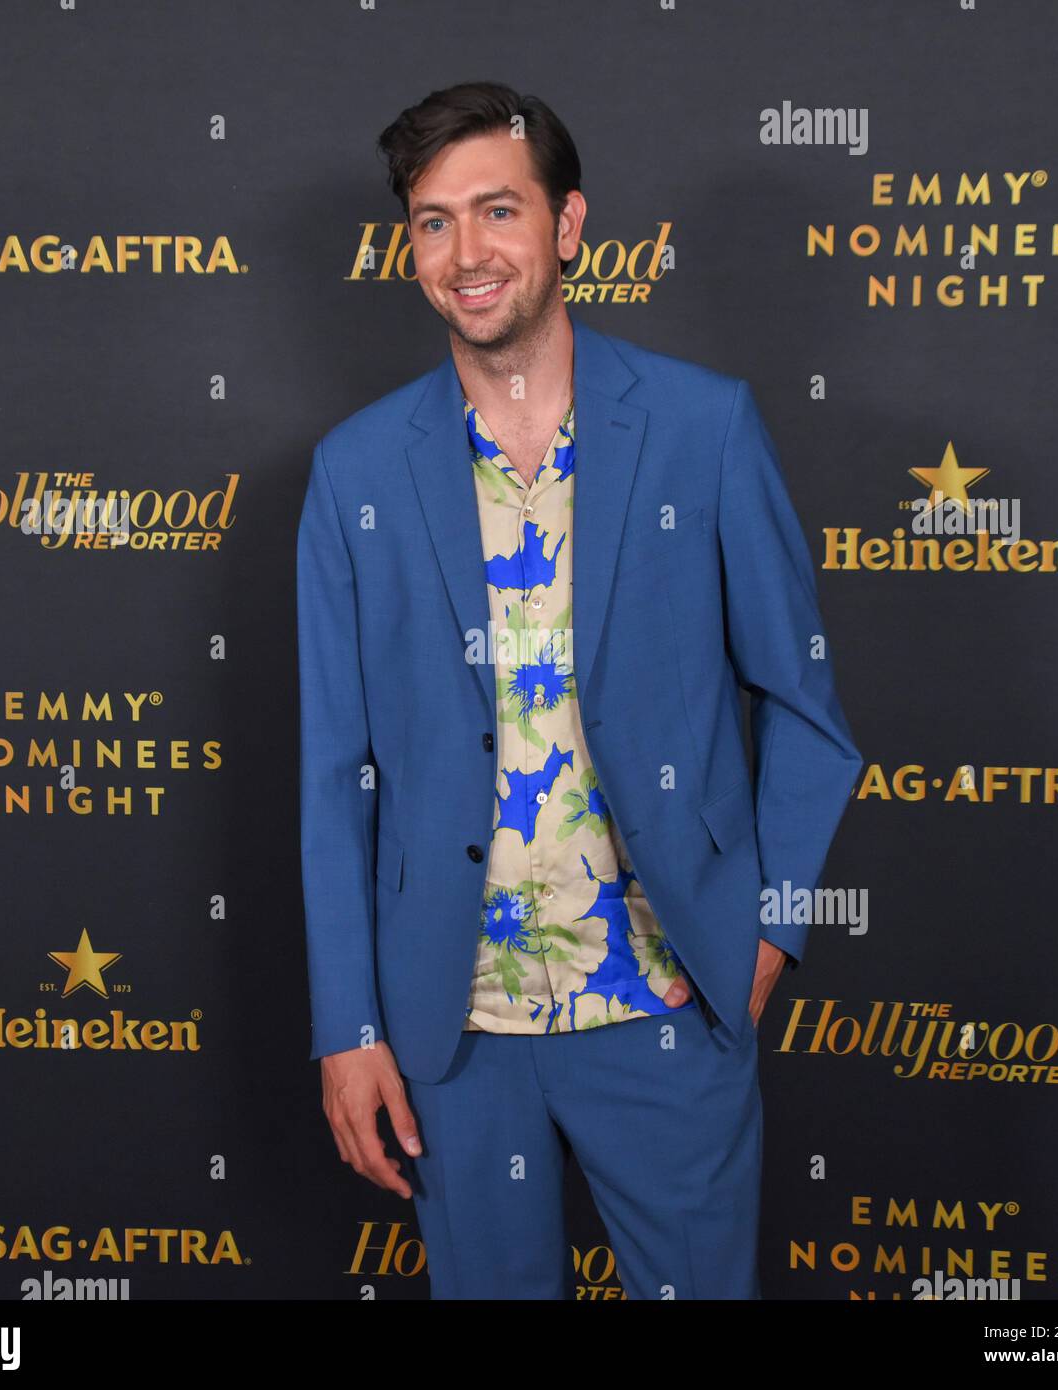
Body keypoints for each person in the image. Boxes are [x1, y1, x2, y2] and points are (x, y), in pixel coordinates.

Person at [296, 81, 862, 1299]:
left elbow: (807, 712)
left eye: (497, 210)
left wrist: (765, 936)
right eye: (434, 221)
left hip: (666, 1007)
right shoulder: (354, 473)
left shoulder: (704, 429)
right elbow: (334, 778)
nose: (466, 252)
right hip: (453, 1034)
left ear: (567, 224)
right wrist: (350, 1027)